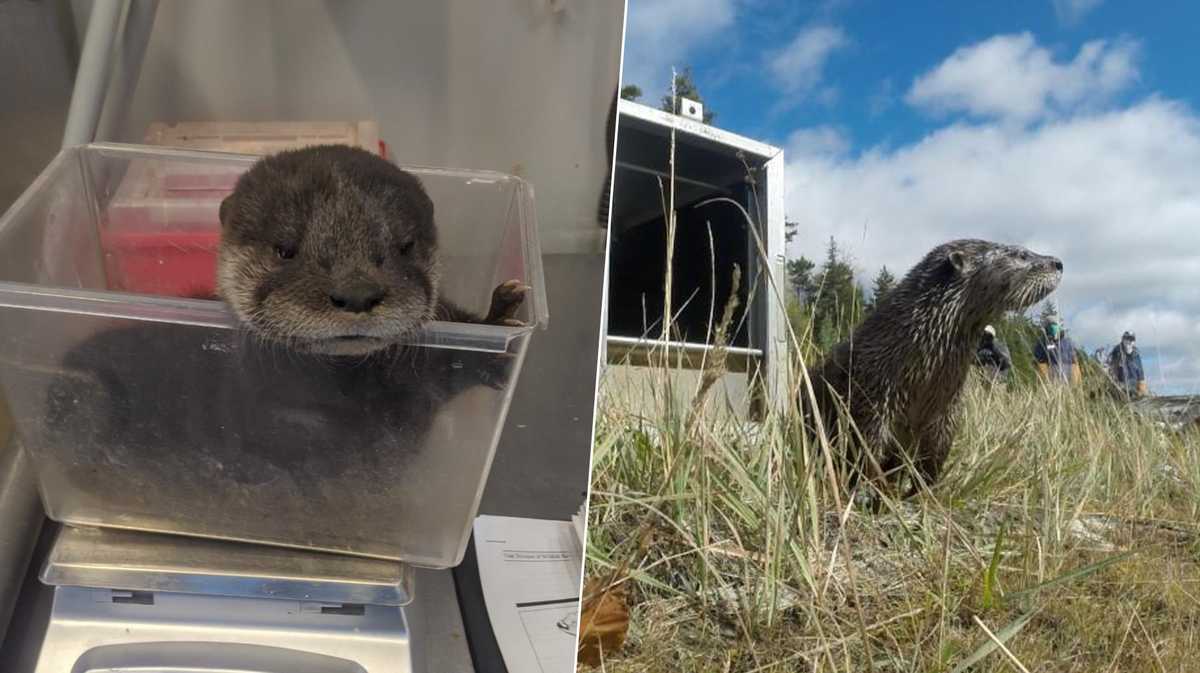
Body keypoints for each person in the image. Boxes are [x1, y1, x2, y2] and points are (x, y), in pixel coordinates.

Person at [1033, 315, 1081, 384]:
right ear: (1046, 328)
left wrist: (1078, 381)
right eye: (1049, 325)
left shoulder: (1068, 342)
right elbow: (1039, 363)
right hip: (1052, 376)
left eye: (1054, 324)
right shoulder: (1042, 343)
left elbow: (1075, 362)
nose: (1052, 327)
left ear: (1059, 326)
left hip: (1069, 375)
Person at [1107, 330, 1148, 399]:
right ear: (1123, 339)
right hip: (1120, 387)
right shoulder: (1116, 351)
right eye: (1127, 339)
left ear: (1134, 341)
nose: (1129, 341)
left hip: (1134, 388)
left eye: (1131, 339)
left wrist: (1142, 388)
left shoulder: (1136, 354)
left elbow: (1140, 374)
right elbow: (1111, 368)